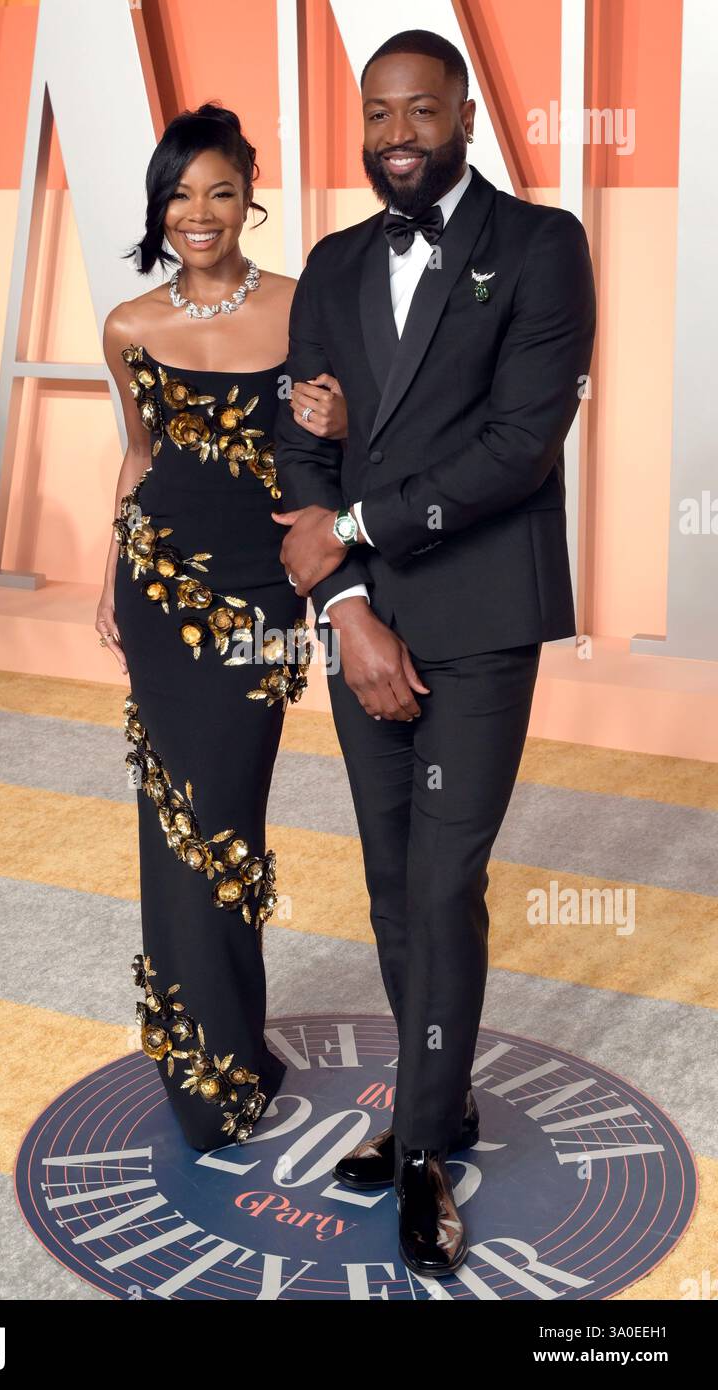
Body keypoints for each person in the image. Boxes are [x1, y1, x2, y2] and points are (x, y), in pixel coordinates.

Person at [274, 29, 596, 1274]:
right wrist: (347, 605)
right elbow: (300, 450)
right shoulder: (334, 260)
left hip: (477, 619)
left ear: (463, 110)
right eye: (377, 115)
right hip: (367, 620)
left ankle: (417, 1155)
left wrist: (356, 517)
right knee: (390, 876)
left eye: (420, 110)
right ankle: (439, 1101)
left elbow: (521, 443)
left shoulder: (540, 244)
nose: (397, 135)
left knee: (442, 878)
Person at [98, 104, 348, 1151]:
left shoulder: (304, 308)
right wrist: (108, 570)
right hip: (158, 588)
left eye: (220, 192)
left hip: (258, 593)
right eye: (179, 194)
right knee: (170, 821)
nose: (199, 214)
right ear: (161, 205)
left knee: (226, 814)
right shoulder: (127, 325)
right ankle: (204, 1065)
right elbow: (139, 454)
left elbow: (344, 438)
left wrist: (337, 419)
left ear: (251, 195)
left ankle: (232, 1046)